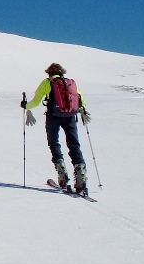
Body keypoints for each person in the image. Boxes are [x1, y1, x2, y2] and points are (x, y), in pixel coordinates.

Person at [21, 63, 91, 193]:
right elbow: (81, 99)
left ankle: (62, 174)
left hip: (53, 116)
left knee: (54, 143)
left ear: (49, 73)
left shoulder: (47, 82)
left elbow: (36, 102)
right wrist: (82, 111)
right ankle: (81, 175)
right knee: (74, 145)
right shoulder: (70, 83)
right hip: (71, 116)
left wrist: (26, 106)